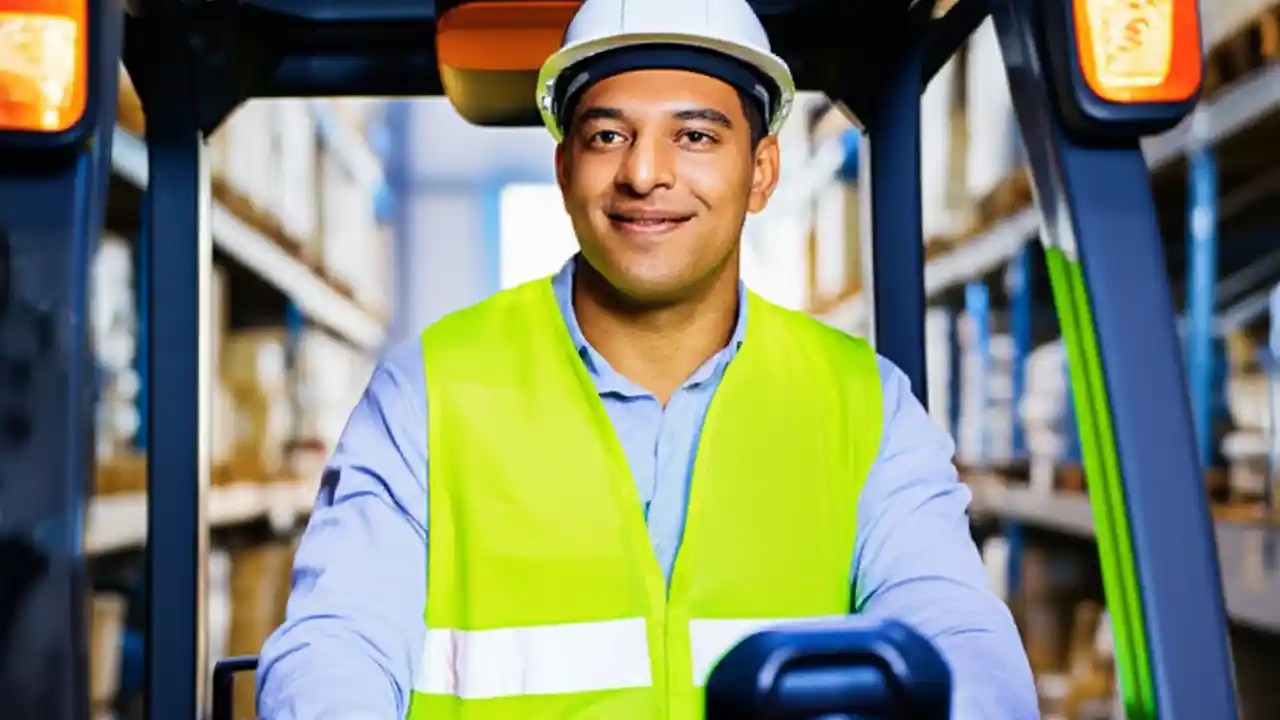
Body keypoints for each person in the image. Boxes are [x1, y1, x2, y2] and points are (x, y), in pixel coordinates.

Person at [256, 0, 1039, 717]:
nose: (643, 173)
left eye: (695, 135)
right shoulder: (429, 391)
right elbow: (337, 645)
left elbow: (959, 641)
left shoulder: (863, 403)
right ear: (565, 171)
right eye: (607, 135)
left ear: (761, 172)